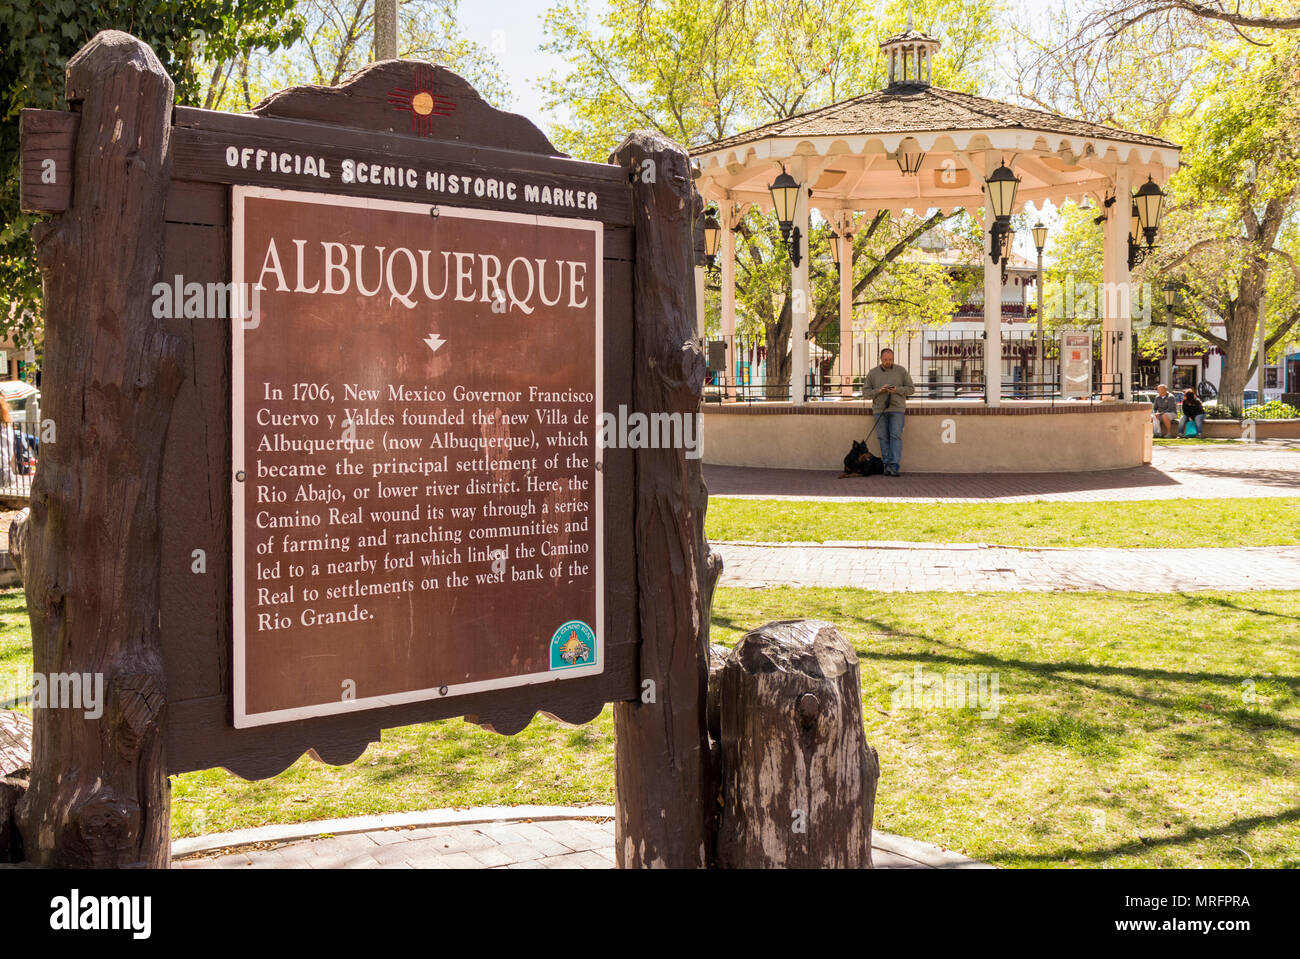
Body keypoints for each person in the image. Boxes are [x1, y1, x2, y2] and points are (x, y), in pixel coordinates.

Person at [864, 348, 914, 476]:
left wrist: (896, 390)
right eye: (885, 360)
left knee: (895, 436)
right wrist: (879, 391)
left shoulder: (901, 371)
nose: (888, 362)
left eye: (890, 359)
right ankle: (886, 464)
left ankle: (894, 465)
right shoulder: (873, 373)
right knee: (882, 437)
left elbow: (911, 389)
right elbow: (865, 393)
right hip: (879, 410)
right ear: (881, 359)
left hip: (897, 409)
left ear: (893, 358)